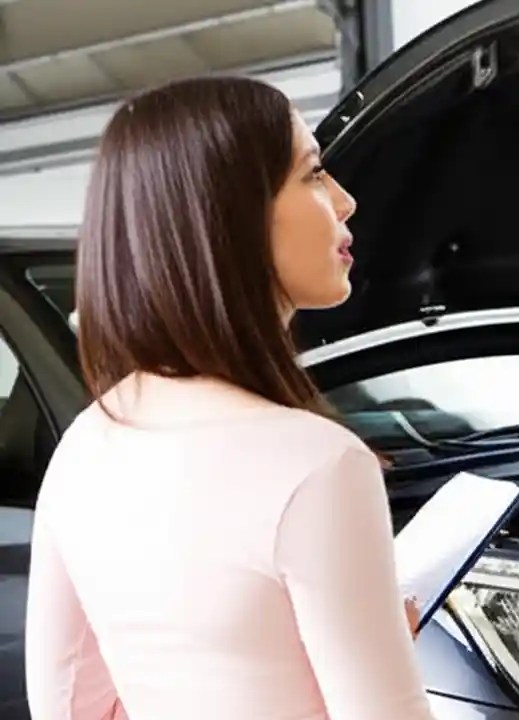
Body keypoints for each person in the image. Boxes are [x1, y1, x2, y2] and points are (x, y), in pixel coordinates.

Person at [24, 76, 435, 719]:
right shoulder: (320, 464)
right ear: (232, 212)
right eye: (314, 173)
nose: (346, 201)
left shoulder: (86, 444)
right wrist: (383, 655)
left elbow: (68, 706)